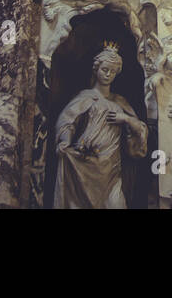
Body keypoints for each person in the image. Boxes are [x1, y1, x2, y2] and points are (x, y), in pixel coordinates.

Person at [54, 44, 148, 208]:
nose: (108, 74)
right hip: (85, 161)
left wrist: (125, 118)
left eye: (112, 71)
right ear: (96, 69)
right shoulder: (86, 96)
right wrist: (65, 140)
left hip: (111, 166)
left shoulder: (120, 102)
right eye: (105, 69)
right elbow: (67, 120)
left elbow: (140, 129)